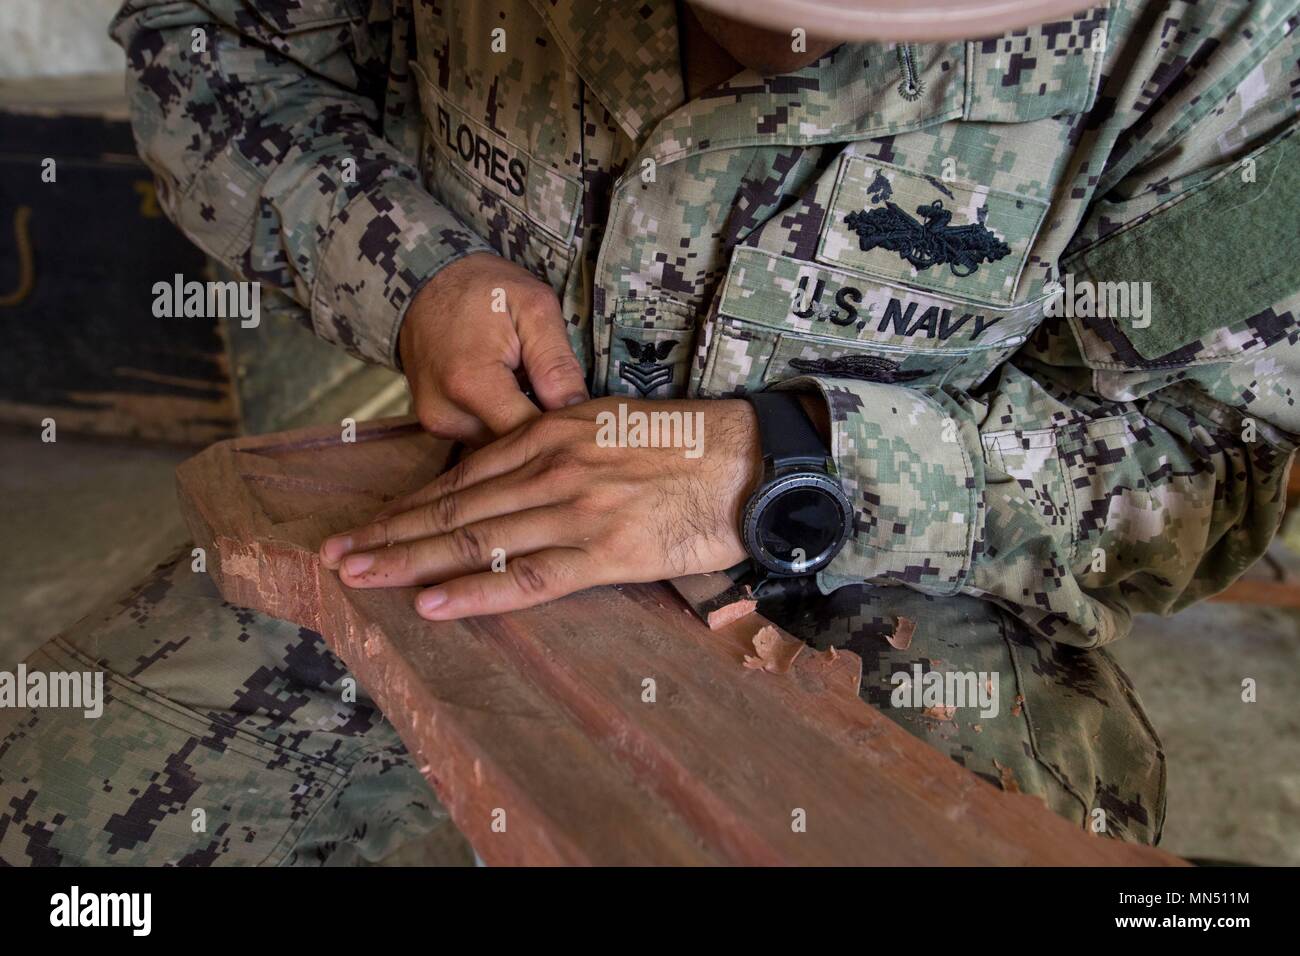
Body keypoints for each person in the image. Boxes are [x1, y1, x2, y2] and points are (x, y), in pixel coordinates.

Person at [2, 0, 1296, 864]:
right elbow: (213, 46)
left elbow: (1210, 460)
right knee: (58, 820)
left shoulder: (1239, 46)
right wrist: (416, 278)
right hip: (467, 497)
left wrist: (794, 465)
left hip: (903, 572)